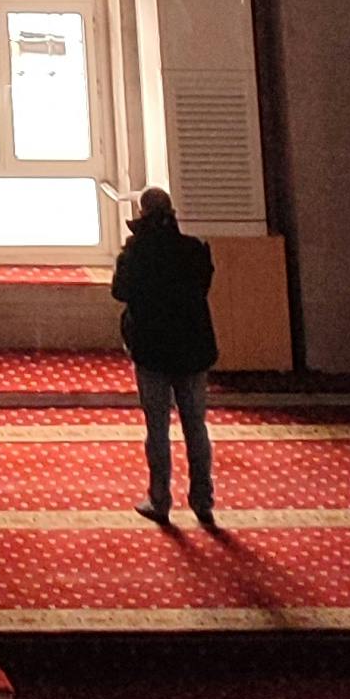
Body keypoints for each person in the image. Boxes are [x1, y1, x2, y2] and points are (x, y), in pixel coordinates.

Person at [111, 186, 218, 529]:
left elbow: (120, 291)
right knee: (195, 426)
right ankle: (203, 500)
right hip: (192, 348)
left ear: (143, 214)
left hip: (153, 350)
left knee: (157, 429)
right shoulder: (193, 249)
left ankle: (160, 499)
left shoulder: (136, 252)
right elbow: (202, 285)